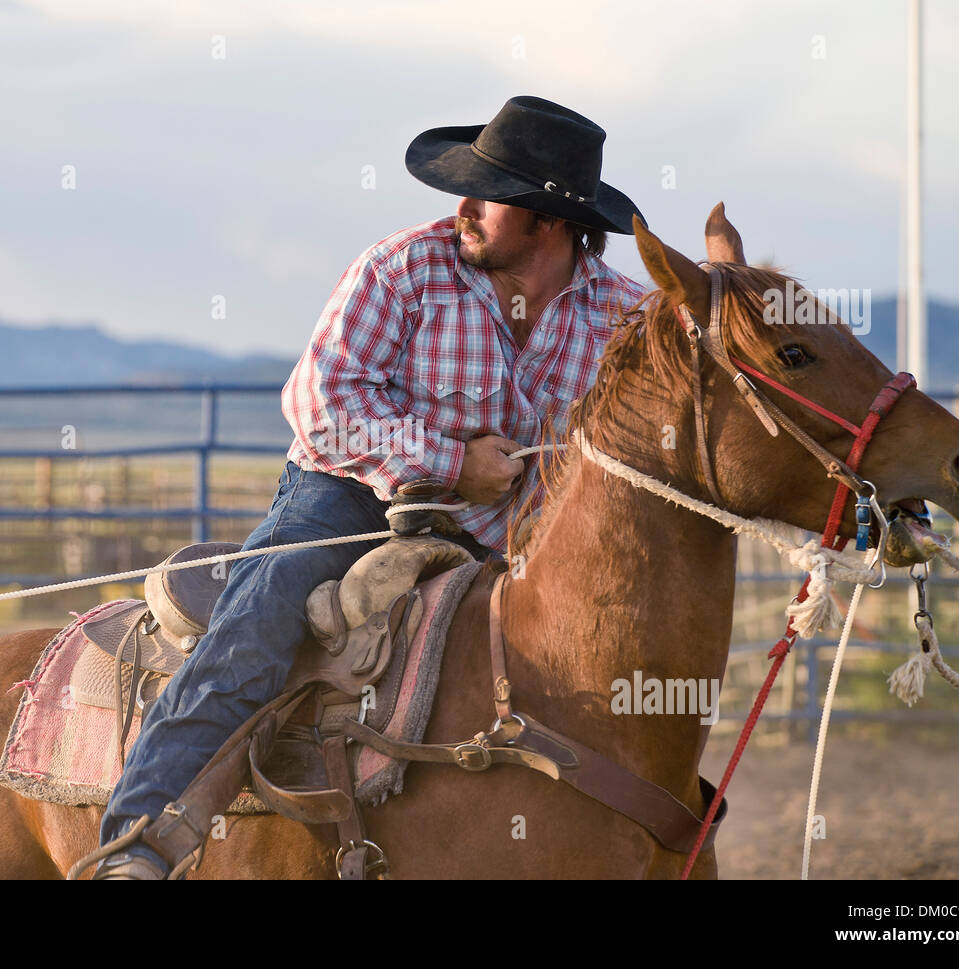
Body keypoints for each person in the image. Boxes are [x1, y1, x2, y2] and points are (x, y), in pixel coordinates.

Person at [93, 95, 648, 878]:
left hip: (519, 534)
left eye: (486, 193)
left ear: (547, 221)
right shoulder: (405, 269)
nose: (463, 206)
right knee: (265, 609)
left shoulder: (626, 319)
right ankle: (137, 838)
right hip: (349, 498)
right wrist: (453, 465)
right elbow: (322, 400)